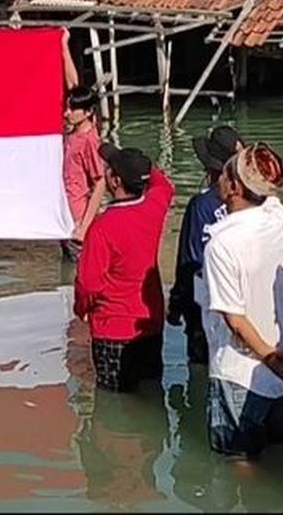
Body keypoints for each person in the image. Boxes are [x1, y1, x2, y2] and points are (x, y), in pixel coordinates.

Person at [203, 142, 283, 457]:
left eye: (225, 173)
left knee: (237, 462)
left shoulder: (222, 244)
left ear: (233, 187)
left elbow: (234, 319)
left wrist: (269, 357)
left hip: (242, 370)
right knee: (281, 455)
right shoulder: (278, 218)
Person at [74, 144, 175, 392]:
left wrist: (81, 309)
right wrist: (137, 163)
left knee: (115, 399)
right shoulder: (155, 206)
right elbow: (164, 184)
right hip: (149, 324)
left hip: (113, 330)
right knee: (150, 394)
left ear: (116, 181)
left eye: (108, 169)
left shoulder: (102, 228)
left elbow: (89, 284)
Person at [168, 124, 243, 365]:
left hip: (205, 303)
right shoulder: (254, 201)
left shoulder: (201, 205)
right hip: (242, 299)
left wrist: (176, 303)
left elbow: (189, 261)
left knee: (201, 365)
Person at [62, 85, 107, 261]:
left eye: (73, 109)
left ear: (88, 112)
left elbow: (100, 182)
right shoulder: (71, 136)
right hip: (66, 217)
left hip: (78, 221)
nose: (67, 113)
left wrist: (84, 227)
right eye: (67, 108)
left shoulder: (90, 141)